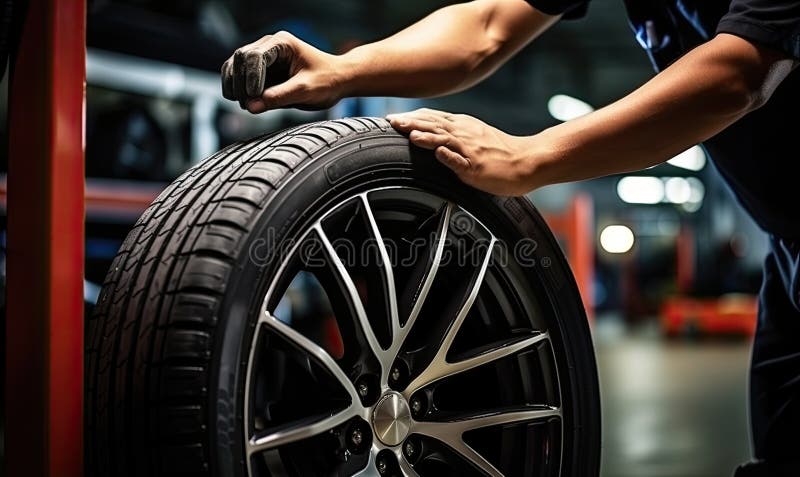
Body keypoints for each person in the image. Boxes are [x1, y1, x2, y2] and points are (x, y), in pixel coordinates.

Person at [220, 1, 799, 475]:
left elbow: (741, 72)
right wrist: (341, 71)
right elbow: (489, 25)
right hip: (788, 247)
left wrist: (530, 155)